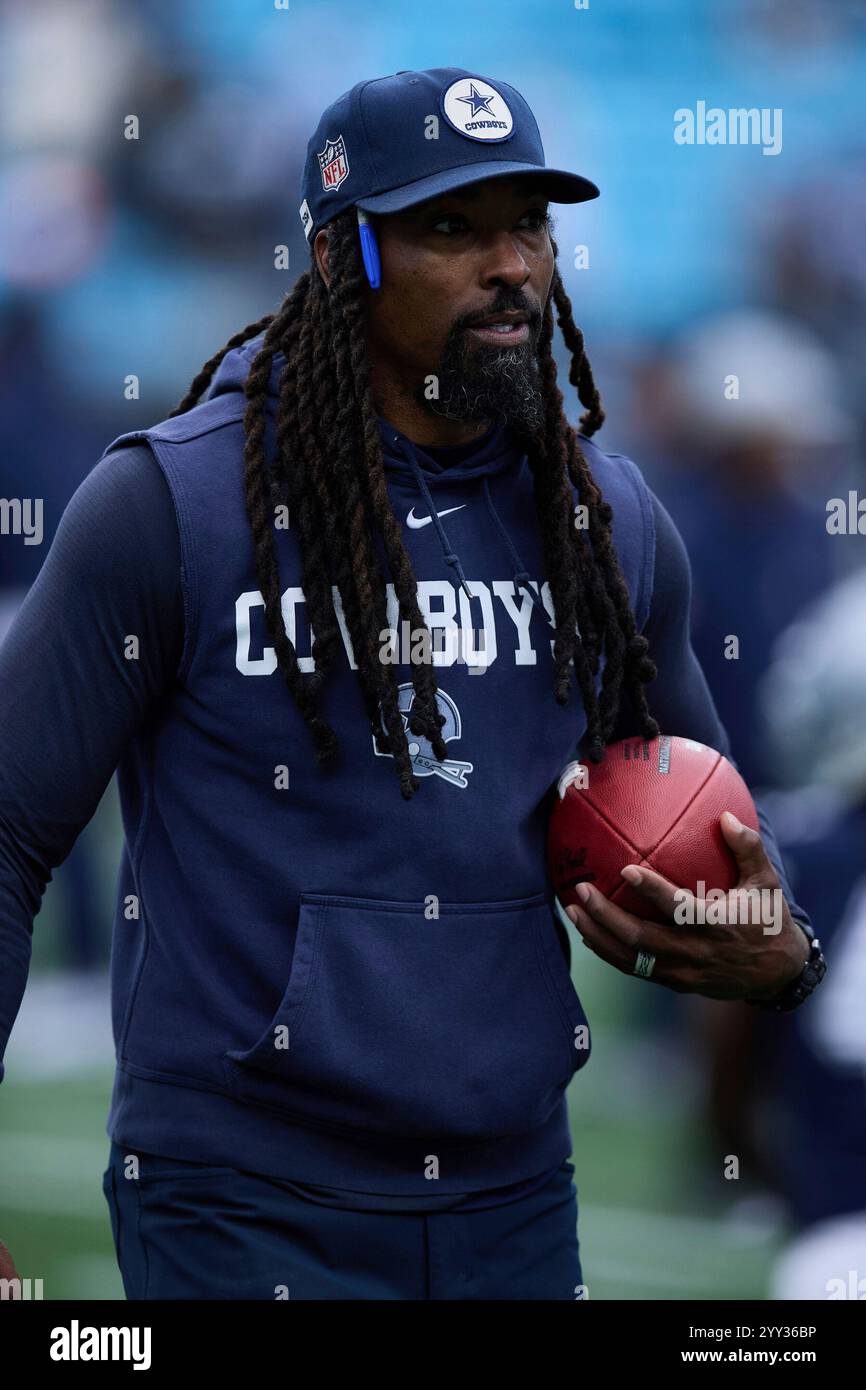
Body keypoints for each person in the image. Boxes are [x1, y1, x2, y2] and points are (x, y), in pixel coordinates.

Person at [0, 68, 823, 1301]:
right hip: (241, 1196)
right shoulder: (167, 506)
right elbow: (10, 830)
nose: (510, 265)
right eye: (451, 227)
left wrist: (776, 950)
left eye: (527, 224)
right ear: (342, 257)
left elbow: (712, 828)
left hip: (514, 1195)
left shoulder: (604, 519)